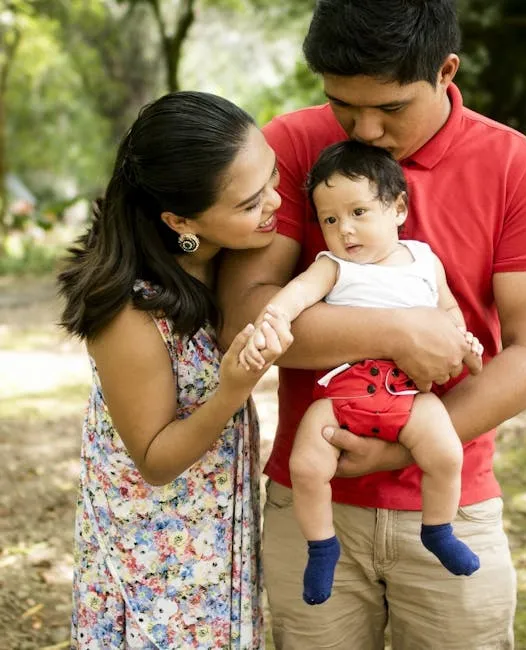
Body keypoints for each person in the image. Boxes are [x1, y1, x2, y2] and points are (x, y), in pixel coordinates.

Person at [217, 0, 526, 647]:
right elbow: (245, 318)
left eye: (388, 109)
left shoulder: (519, 171)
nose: (362, 130)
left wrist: (398, 449)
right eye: (341, 106)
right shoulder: (291, 148)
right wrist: (395, 331)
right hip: (311, 502)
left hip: (452, 501)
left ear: (445, 71)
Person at [57, 91, 291, 649]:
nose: (275, 204)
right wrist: (232, 390)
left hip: (214, 544)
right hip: (154, 571)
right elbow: (155, 459)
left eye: (273, 179)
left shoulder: (226, 261)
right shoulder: (129, 311)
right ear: (180, 219)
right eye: (250, 202)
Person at [241, 141, 484, 605]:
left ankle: (439, 530)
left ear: (397, 209)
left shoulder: (423, 261)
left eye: (358, 212)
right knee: (306, 465)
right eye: (330, 220)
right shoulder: (333, 267)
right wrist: (273, 318)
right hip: (343, 399)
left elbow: (449, 311)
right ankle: (322, 546)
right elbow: (293, 296)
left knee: (447, 452)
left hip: (410, 396)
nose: (344, 230)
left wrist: (462, 339)